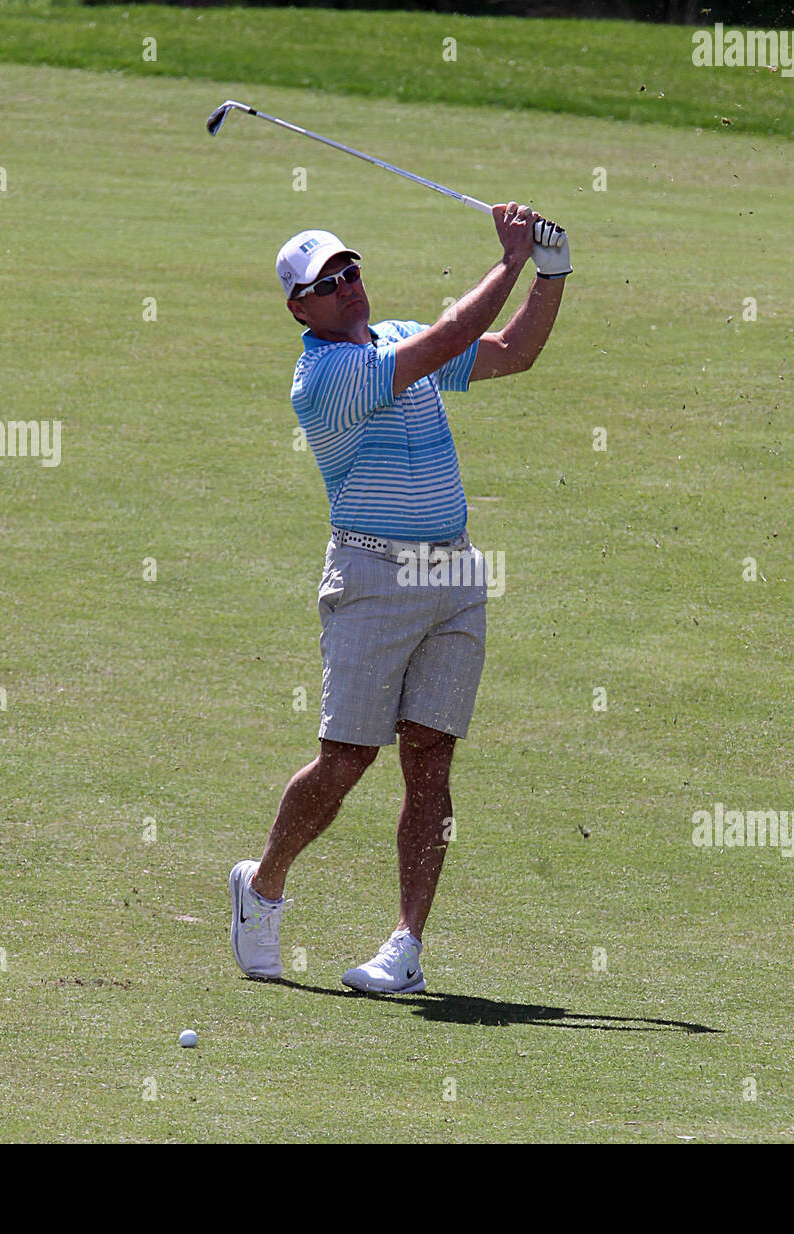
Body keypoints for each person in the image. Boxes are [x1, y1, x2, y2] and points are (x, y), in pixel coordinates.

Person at [230, 201, 570, 993]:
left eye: (351, 271)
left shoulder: (390, 340)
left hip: (451, 576)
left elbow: (512, 353)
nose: (348, 287)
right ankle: (264, 883)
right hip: (373, 576)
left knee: (430, 758)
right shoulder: (328, 377)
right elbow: (448, 339)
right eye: (328, 283)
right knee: (346, 760)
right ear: (299, 309)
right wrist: (511, 259)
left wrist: (552, 274)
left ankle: (407, 946)